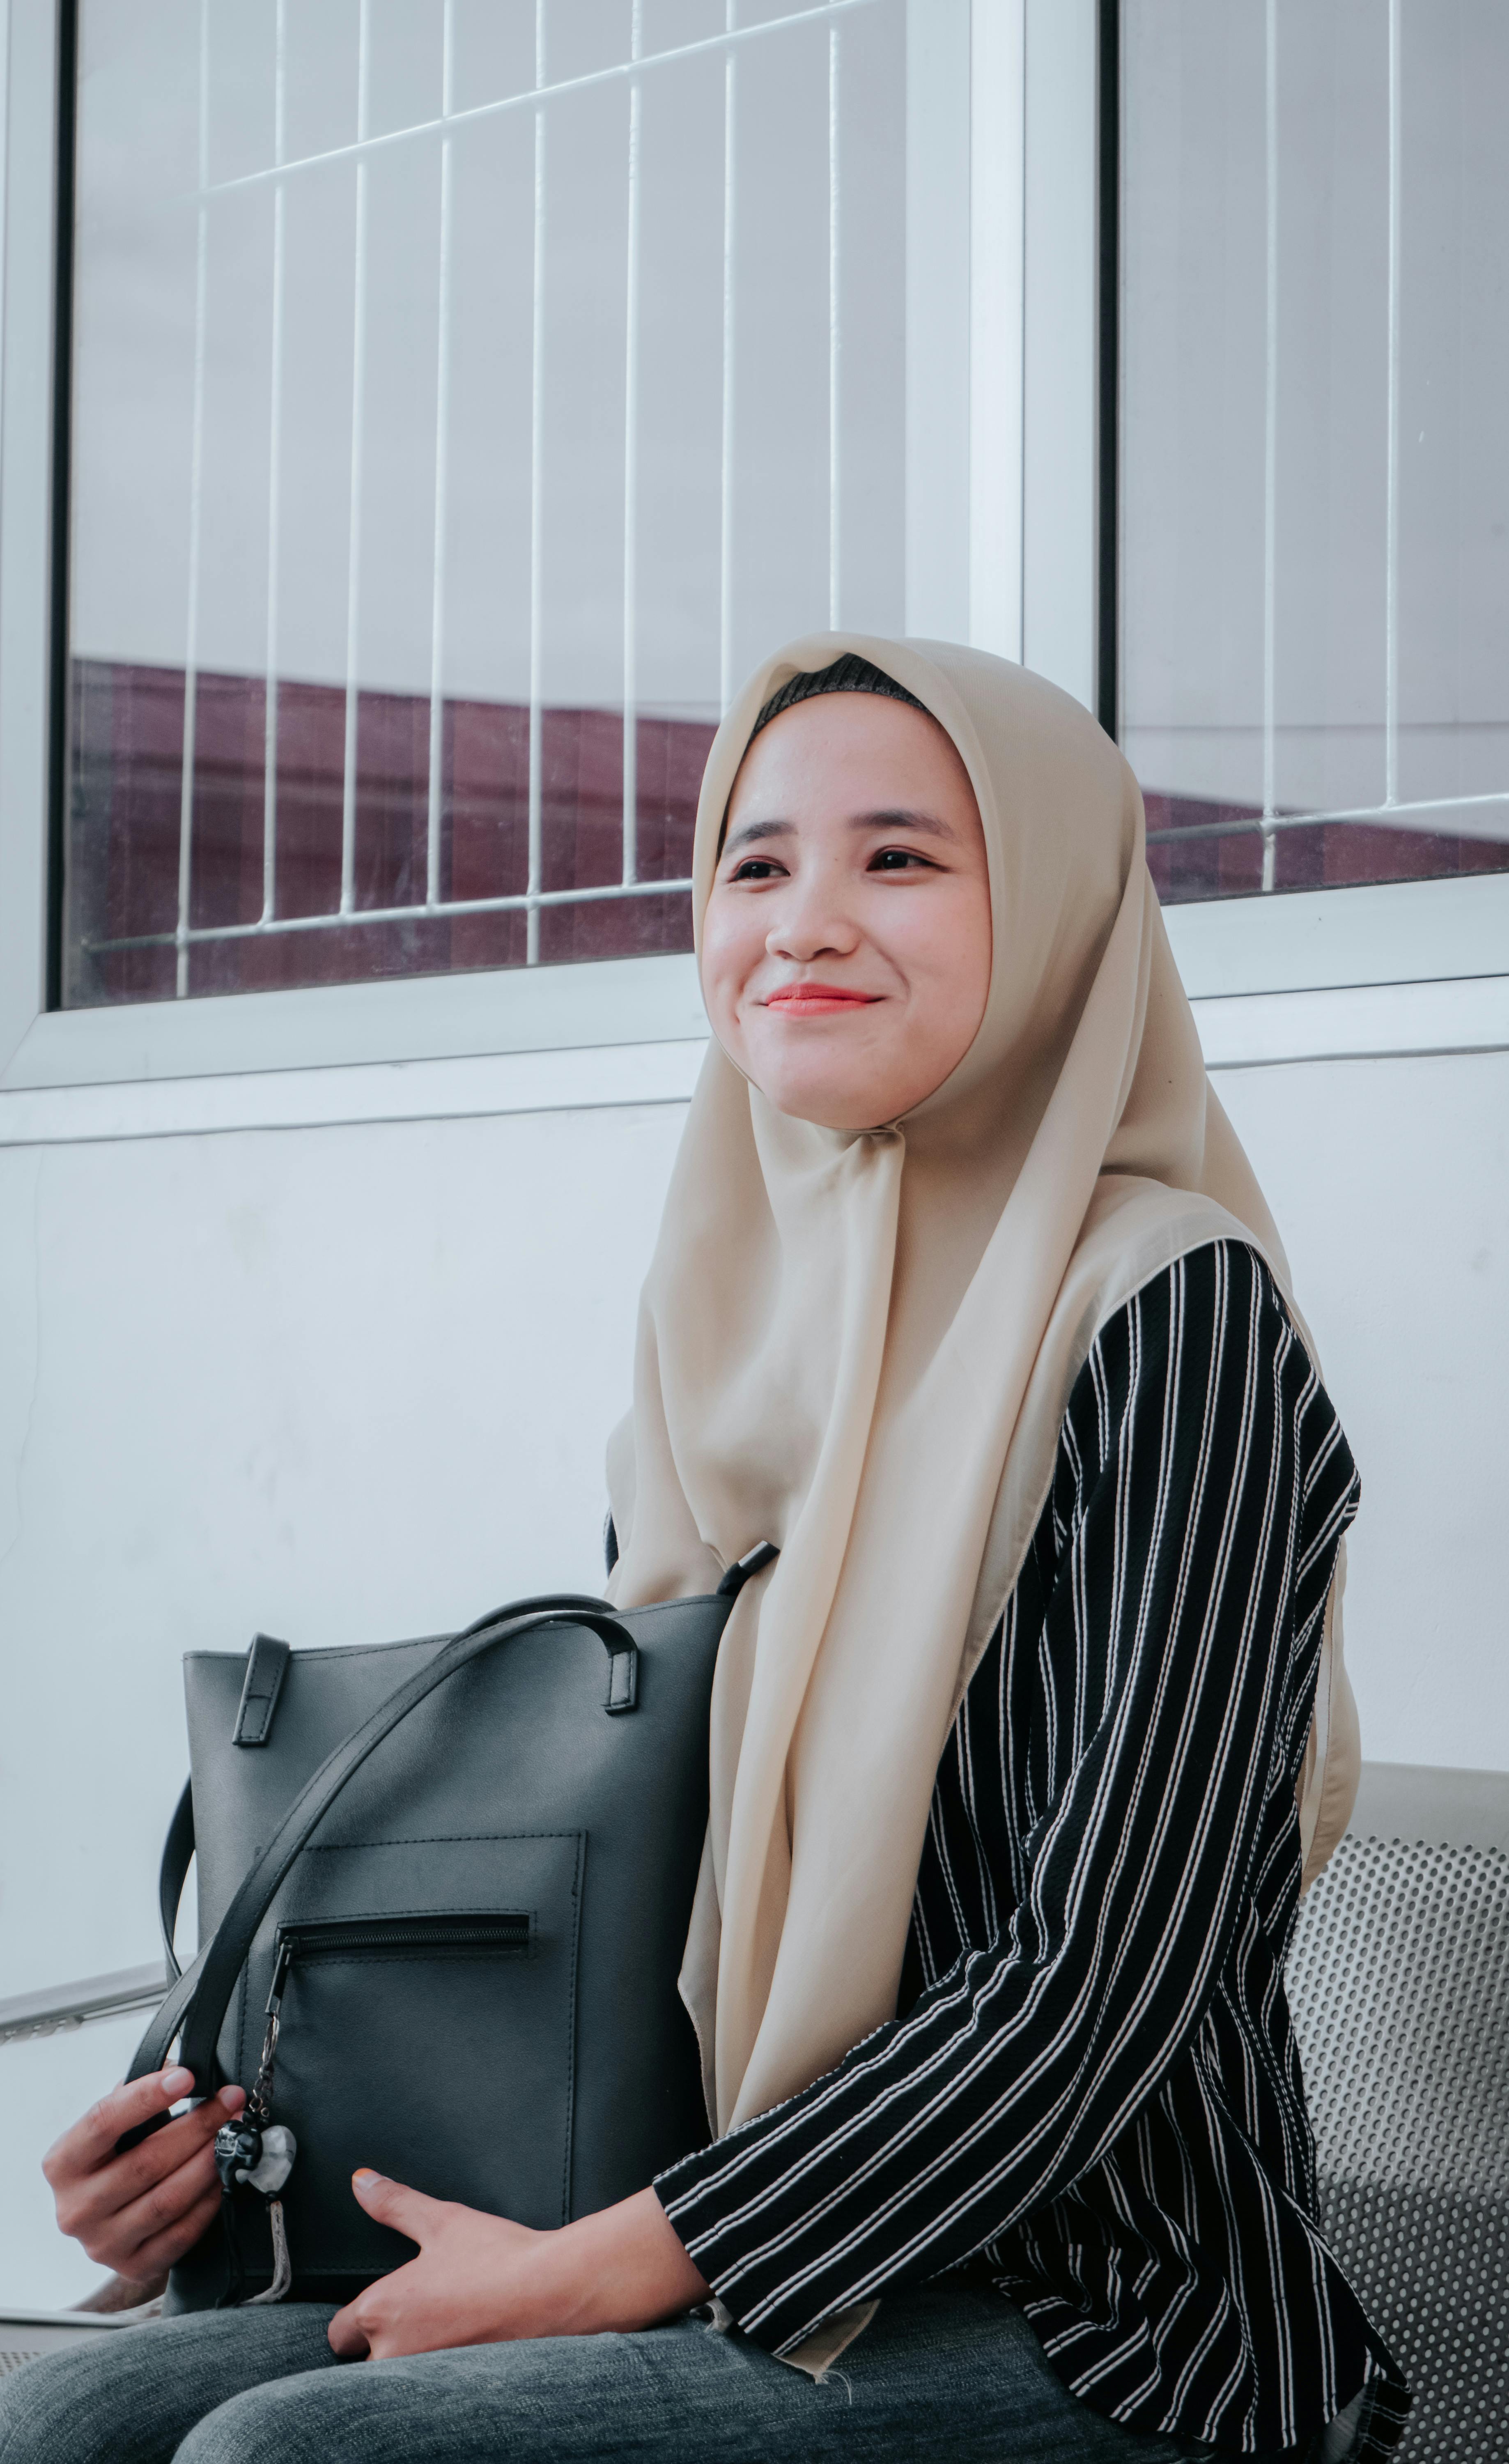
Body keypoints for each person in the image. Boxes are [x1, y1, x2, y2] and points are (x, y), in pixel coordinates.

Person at [1, 639, 1408, 2463]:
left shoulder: (1171, 1314)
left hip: (1102, 2319)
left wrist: (614, 2266)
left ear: (1060, 910)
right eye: (754, 866)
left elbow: (1095, 1989)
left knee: (292, 2455)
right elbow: (628, 1857)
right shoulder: (736, 1323)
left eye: (897, 859)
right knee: (81, 2413)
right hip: (682, 2226)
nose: (804, 921)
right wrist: (209, 2140)